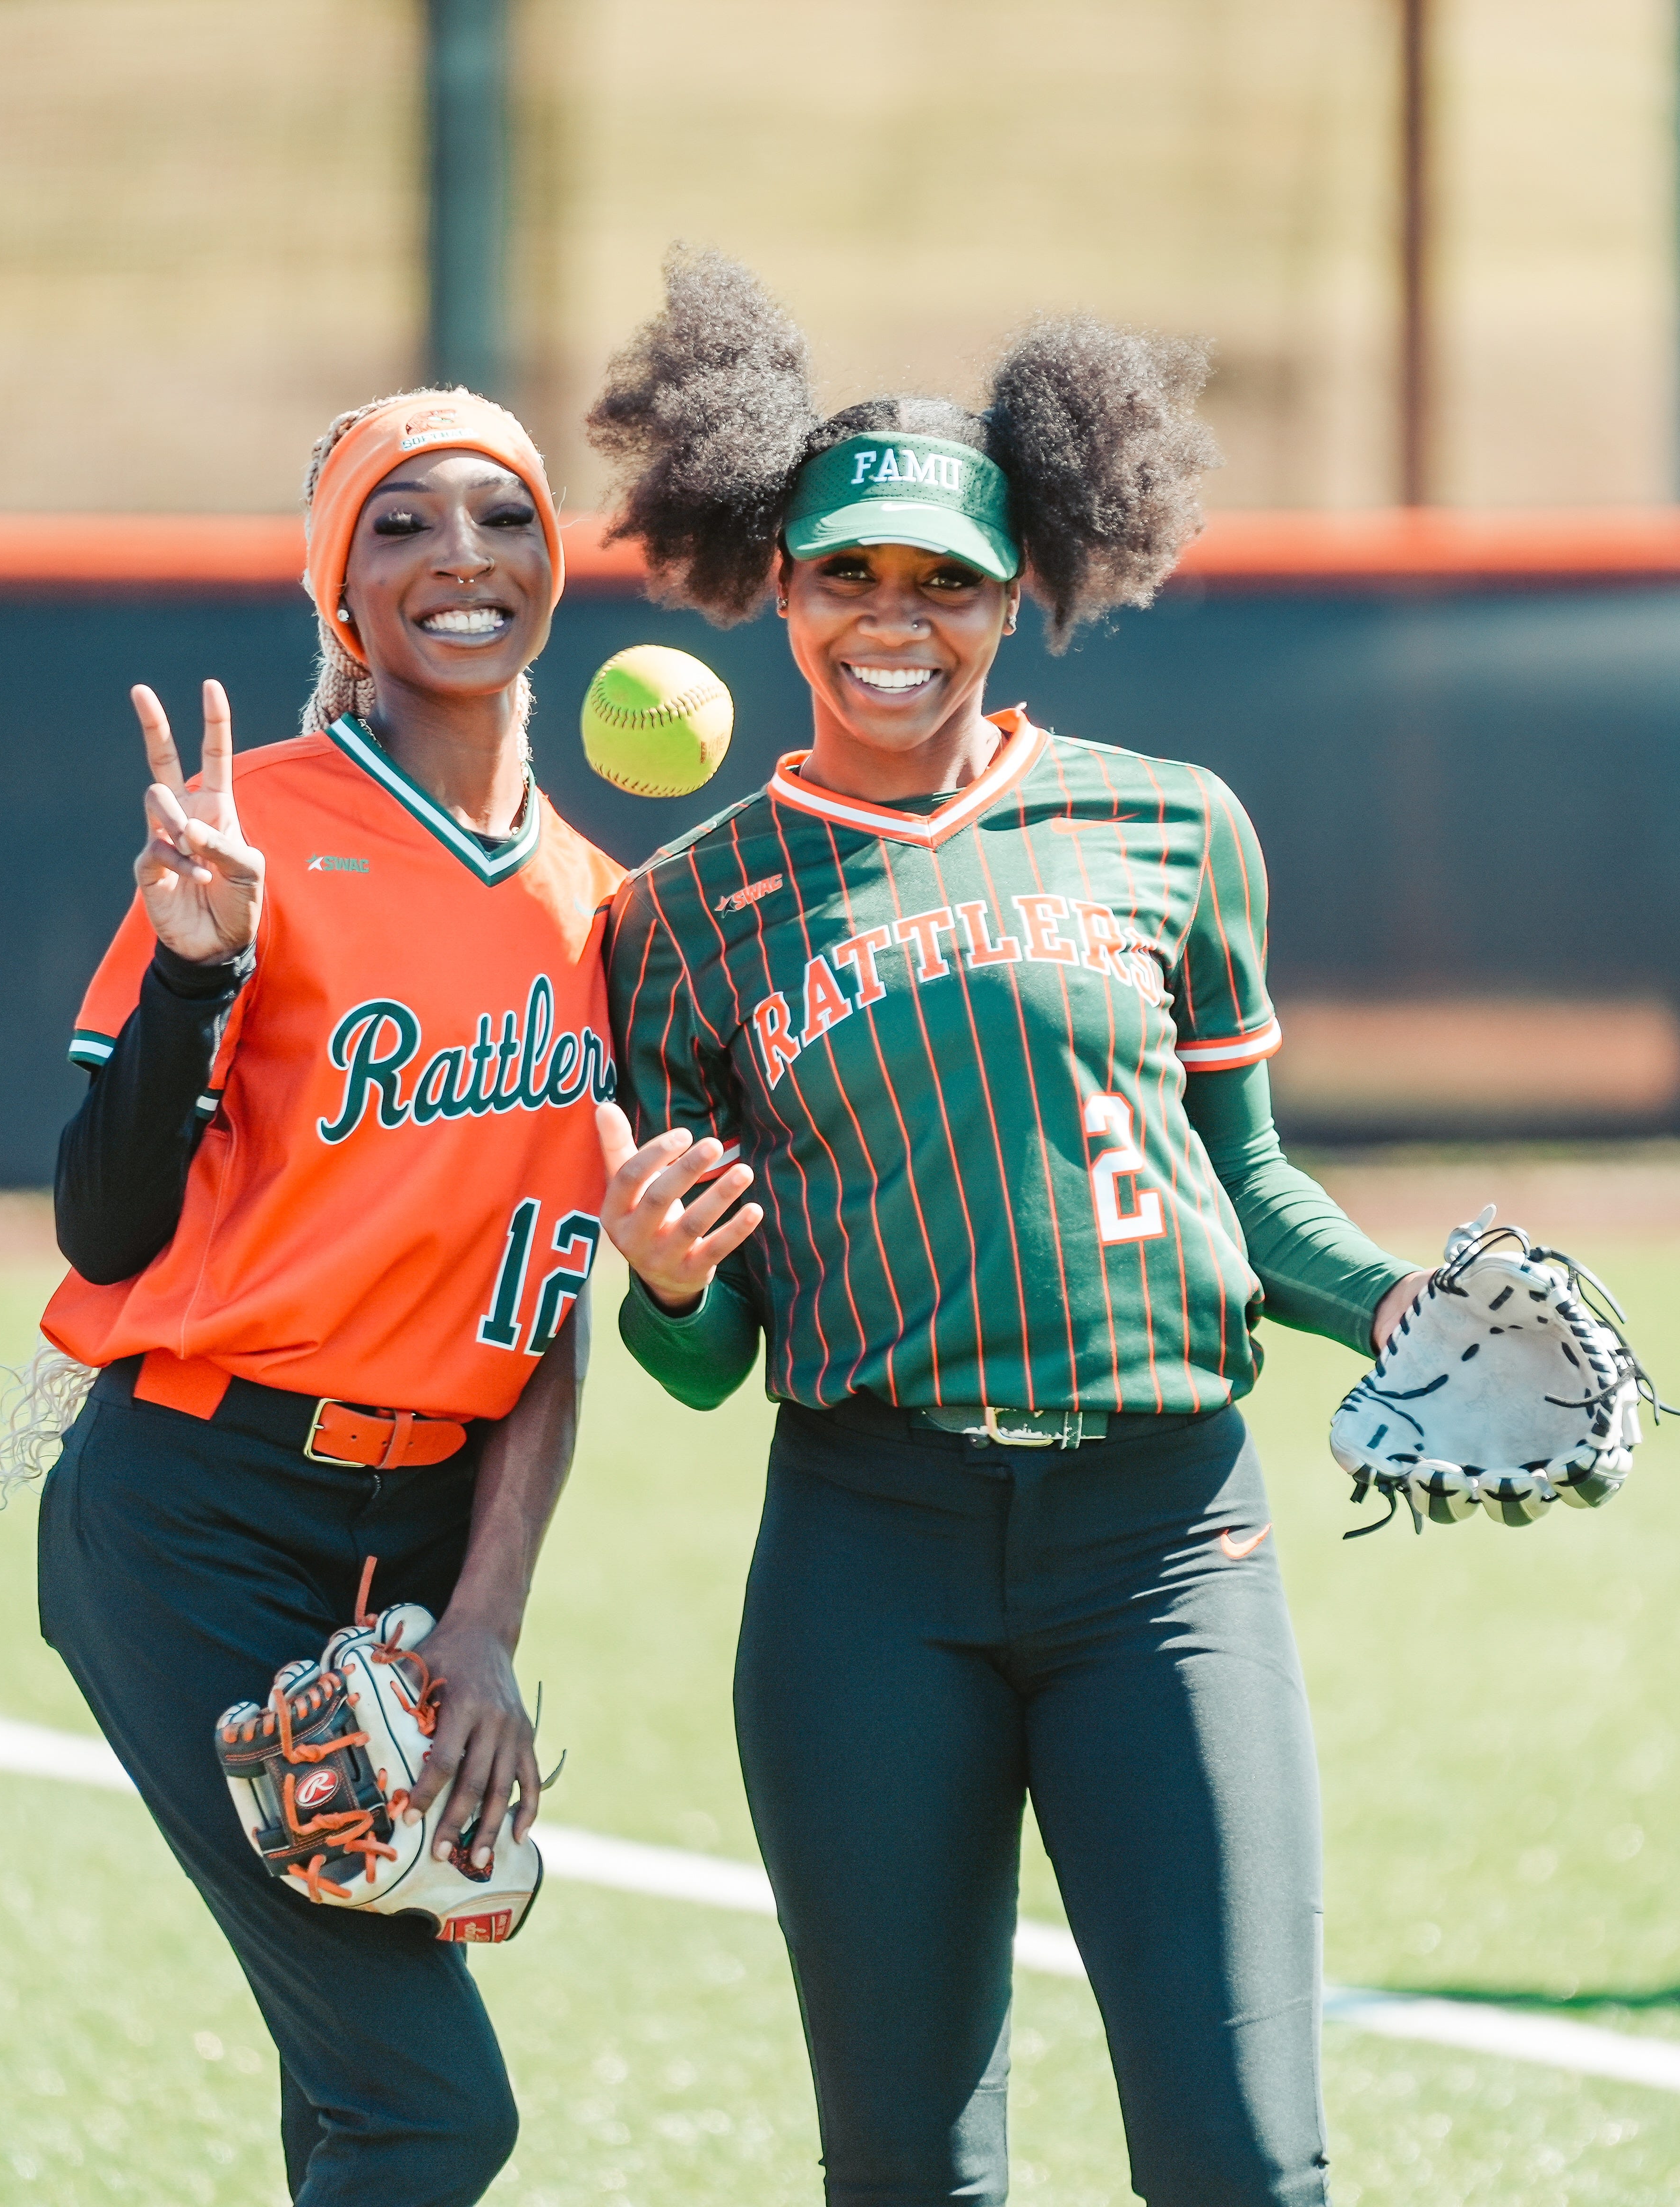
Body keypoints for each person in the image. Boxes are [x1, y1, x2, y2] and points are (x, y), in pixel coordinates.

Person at [590, 250, 1431, 2207]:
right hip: (864, 1560)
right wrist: (662, 1280)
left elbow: (1244, 1183)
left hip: (1165, 1552)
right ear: (773, 582)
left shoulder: (1171, 826)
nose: (895, 620)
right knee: (906, 2171)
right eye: (846, 575)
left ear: (1022, 587)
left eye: (945, 580)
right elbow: (706, 1363)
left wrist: (1395, 1302)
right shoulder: (679, 915)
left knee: (1244, 2162)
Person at [33, 388, 621, 2207]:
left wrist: (489, 1622)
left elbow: (549, 1310)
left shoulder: (605, 906)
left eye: (503, 519)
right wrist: (201, 971)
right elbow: (102, 1230)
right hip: (194, 1515)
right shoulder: (246, 833)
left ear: (552, 569)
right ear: (339, 602)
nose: (462, 558)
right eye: (402, 525)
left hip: (426, 1540)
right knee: (430, 2109)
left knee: (354, 2100)